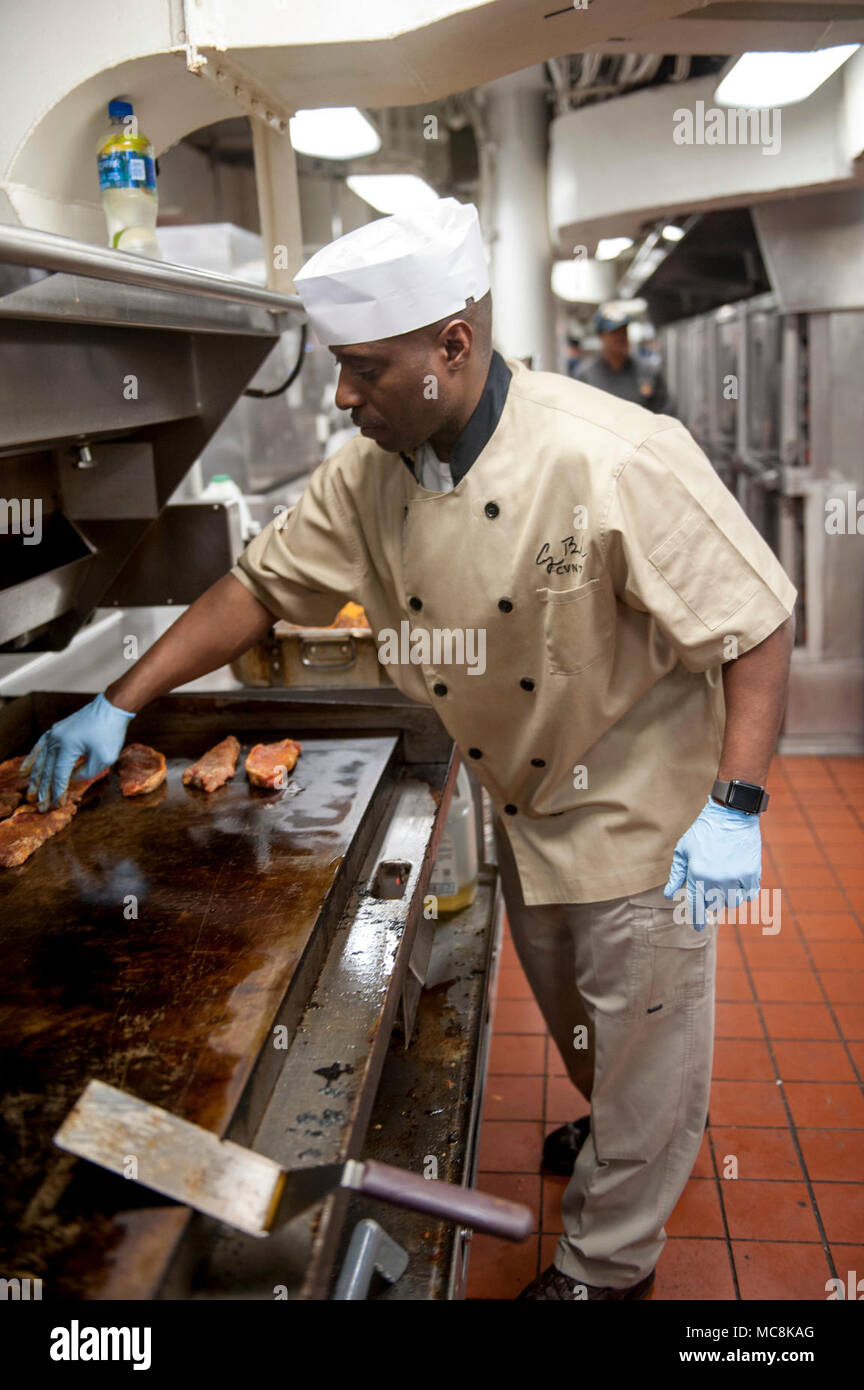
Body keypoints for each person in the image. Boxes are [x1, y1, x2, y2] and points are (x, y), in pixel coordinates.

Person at [23, 198, 796, 1302]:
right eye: (339, 366)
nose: (342, 394)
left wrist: (737, 806)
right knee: (597, 1028)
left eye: (365, 368)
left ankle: (606, 1265)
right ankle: (626, 1120)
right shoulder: (372, 470)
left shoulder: (612, 454)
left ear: (453, 347)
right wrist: (115, 697)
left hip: (644, 814)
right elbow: (258, 585)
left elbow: (756, 622)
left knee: (649, 1028)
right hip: (528, 806)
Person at [578, 304, 670, 412]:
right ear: (600, 336)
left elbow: (666, 411)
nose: (621, 337)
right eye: (614, 332)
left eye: (624, 330)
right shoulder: (586, 377)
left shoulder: (648, 372)